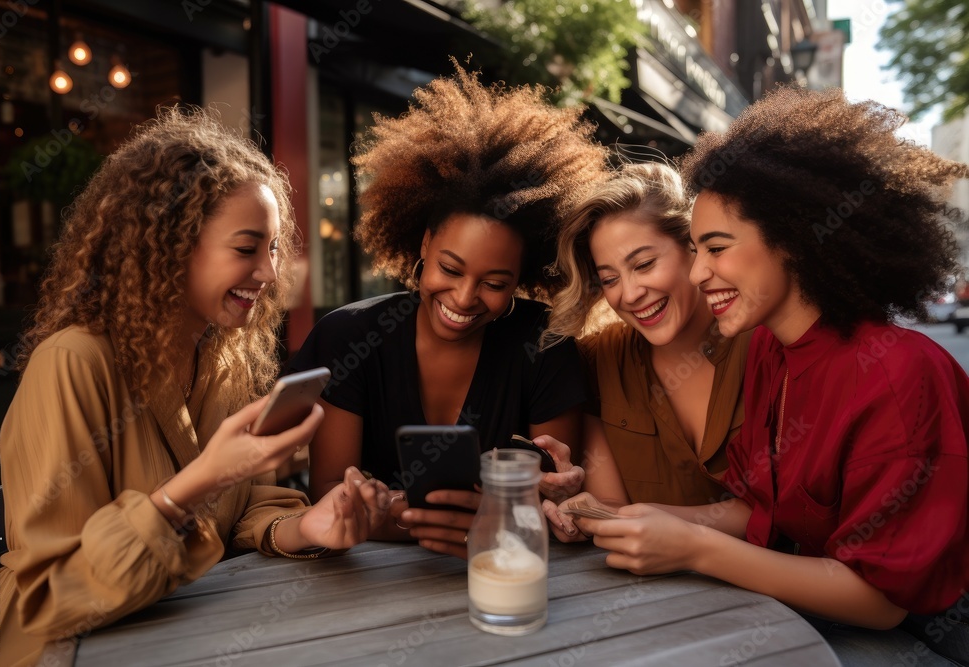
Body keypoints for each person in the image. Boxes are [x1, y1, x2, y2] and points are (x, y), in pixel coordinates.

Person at [562, 87, 969, 664]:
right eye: (697, 250)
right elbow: (758, 513)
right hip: (815, 612)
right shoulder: (773, 355)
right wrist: (612, 517)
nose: (699, 273)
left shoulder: (899, 373)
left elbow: (882, 603)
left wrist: (695, 548)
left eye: (716, 248)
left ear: (793, 239)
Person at [0, 108, 390, 665]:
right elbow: (53, 595)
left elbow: (244, 510)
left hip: (178, 638)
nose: (269, 274)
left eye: (273, 248)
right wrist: (201, 480)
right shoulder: (72, 363)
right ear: (170, 246)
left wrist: (305, 526)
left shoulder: (225, 360)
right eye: (246, 248)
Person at [288, 63, 608, 559]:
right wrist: (465, 518)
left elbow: (550, 496)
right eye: (450, 269)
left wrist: (531, 504)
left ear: (521, 278)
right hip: (368, 581)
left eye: (494, 284)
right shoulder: (348, 337)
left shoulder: (544, 345)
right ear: (424, 243)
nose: (463, 298)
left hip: (507, 568)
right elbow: (328, 497)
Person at [537, 163, 751, 541]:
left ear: (692, 247)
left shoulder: (761, 343)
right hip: (640, 577)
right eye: (610, 279)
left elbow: (775, 516)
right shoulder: (601, 360)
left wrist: (647, 520)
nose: (630, 294)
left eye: (644, 264)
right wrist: (578, 511)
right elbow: (609, 505)